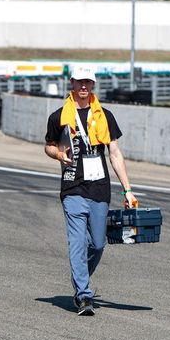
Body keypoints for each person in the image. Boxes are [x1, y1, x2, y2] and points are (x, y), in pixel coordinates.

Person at [44, 67, 138, 316]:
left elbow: (115, 154)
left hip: (99, 187)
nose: (84, 86)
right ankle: (83, 296)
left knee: (97, 243)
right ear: (72, 83)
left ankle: (80, 276)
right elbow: (48, 146)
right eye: (80, 81)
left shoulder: (105, 116)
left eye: (89, 82)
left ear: (93, 85)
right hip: (73, 185)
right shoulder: (58, 117)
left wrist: (127, 190)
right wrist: (58, 154)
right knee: (77, 242)